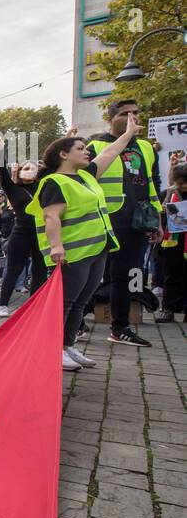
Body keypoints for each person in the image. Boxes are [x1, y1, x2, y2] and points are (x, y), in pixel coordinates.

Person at [29, 125, 137, 371]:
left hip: (96, 248)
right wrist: (56, 246)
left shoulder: (87, 176)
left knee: (80, 303)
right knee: (64, 303)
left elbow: (110, 153)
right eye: (80, 148)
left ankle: (67, 346)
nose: (87, 152)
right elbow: (51, 217)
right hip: (72, 253)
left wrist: (128, 134)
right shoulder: (55, 182)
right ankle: (53, 350)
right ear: (63, 155)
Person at [86, 99, 163, 347]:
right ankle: (73, 323)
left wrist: (157, 219)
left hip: (138, 220)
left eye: (136, 113)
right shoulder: (96, 145)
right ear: (111, 119)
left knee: (128, 275)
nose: (132, 117)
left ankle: (120, 328)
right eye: (125, 114)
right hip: (105, 218)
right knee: (89, 274)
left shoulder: (146, 147)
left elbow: (152, 183)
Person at [0, 161, 48, 317]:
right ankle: (3, 305)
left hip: (40, 233)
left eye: (33, 168)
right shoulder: (13, 188)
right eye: (25, 168)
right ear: (19, 172)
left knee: (40, 269)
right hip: (20, 233)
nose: (29, 170)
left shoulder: (44, 186)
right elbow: (2, 171)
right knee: (13, 269)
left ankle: (34, 305)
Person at [154, 160, 187, 323]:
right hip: (172, 241)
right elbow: (159, 211)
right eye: (179, 183)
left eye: (184, 184)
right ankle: (168, 308)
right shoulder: (168, 193)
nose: (181, 187)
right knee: (171, 275)